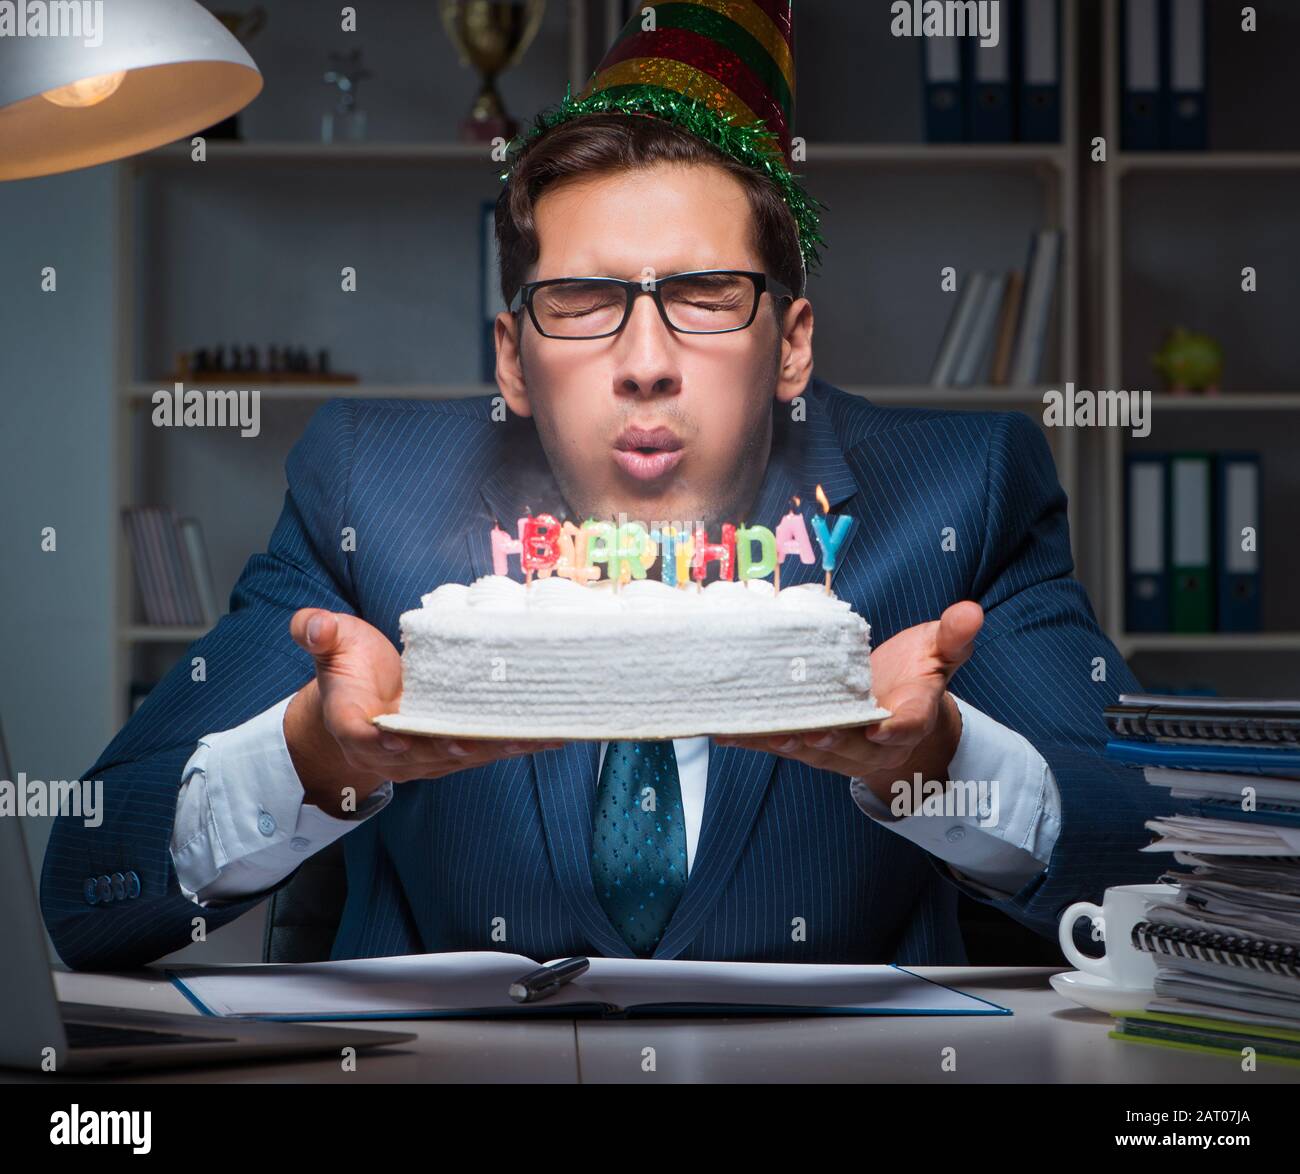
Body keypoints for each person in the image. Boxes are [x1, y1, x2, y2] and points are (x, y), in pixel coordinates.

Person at [41, 1, 1171, 969]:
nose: (644, 361)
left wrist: (943, 768)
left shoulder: (960, 497)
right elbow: (90, 882)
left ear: (790, 346)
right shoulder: (367, 493)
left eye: (707, 294)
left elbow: (1168, 874)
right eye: (582, 301)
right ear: (510, 359)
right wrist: (312, 759)